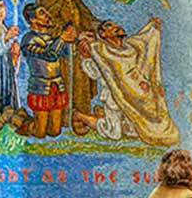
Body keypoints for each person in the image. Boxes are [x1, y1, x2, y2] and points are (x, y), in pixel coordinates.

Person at [76, 17, 180, 146]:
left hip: (133, 99)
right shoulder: (101, 50)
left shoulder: (132, 47)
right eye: (110, 26)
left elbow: (145, 40)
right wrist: (86, 57)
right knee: (114, 134)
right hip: (114, 96)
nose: (117, 26)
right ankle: (79, 116)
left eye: (117, 24)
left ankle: (102, 114)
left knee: (133, 133)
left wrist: (152, 27)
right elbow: (94, 73)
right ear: (103, 34)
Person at [35, 0, 101, 134]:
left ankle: (81, 118)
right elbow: (47, 22)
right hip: (61, 49)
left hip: (78, 47)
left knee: (81, 83)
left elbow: (85, 15)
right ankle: (66, 120)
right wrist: (73, 34)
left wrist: (100, 28)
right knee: (65, 84)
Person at [20, 3, 76, 138]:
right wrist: (62, 39)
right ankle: (15, 118)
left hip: (57, 85)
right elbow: (50, 55)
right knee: (39, 133)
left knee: (55, 131)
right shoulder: (29, 39)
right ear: (32, 19)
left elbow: (67, 55)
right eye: (42, 13)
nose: (48, 16)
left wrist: (71, 43)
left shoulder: (51, 38)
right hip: (40, 86)